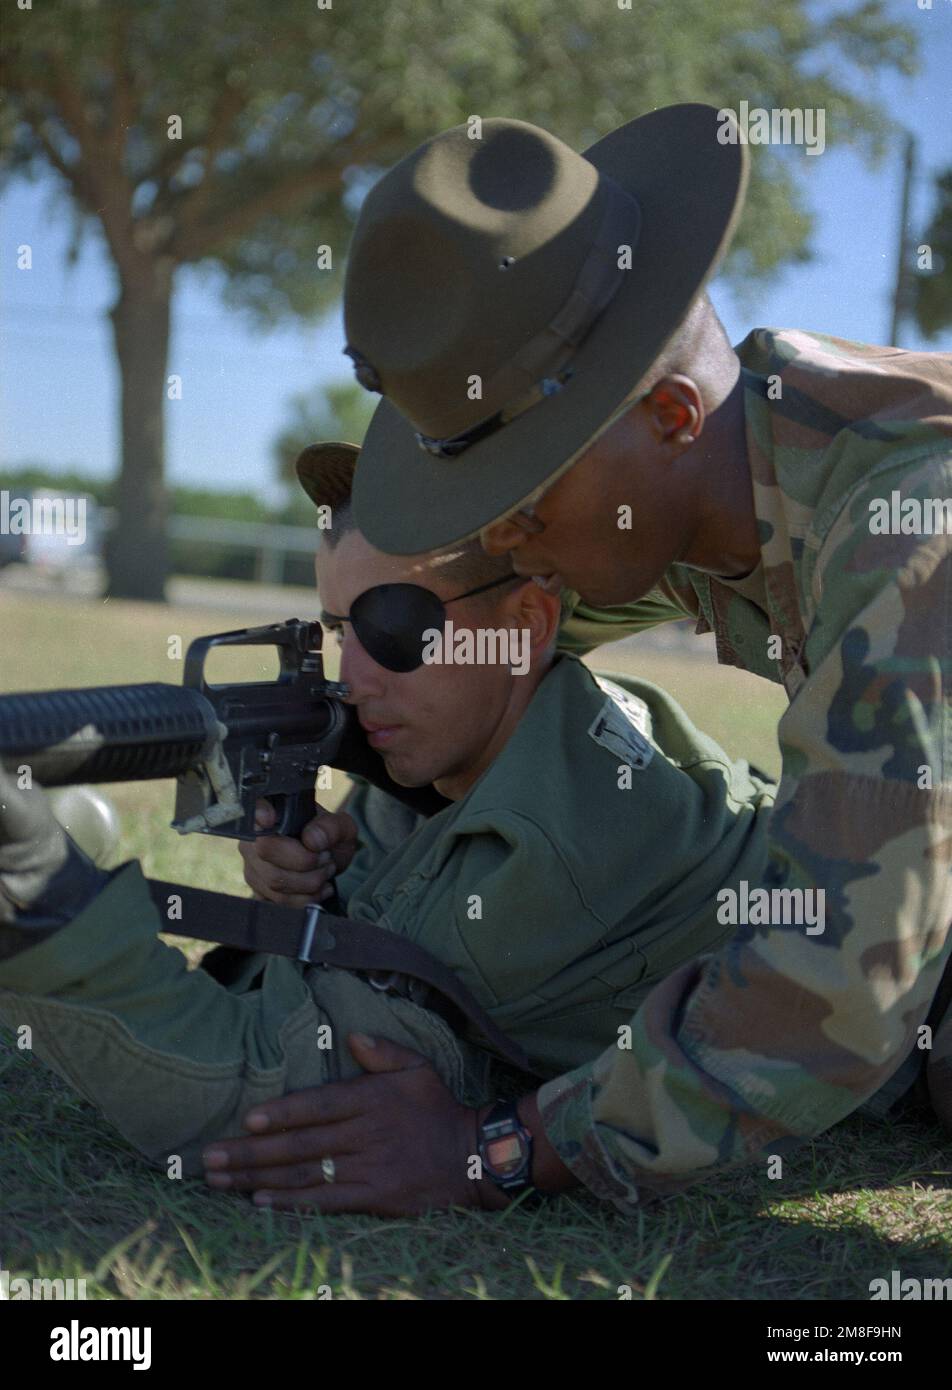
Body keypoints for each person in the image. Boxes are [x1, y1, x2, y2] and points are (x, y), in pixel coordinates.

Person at [249, 102, 948, 1215]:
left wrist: (501, 1149)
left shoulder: (907, 524)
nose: (500, 533)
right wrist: (356, 788)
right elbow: (482, 656)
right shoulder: (700, 489)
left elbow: (841, 973)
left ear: (668, 413)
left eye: (520, 494)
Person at [0, 444, 775, 1213]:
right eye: (340, 629)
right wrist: (311, 892)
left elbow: (265, 1110)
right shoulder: (519, 721)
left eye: (395, 627)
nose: (355, 677)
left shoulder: (537, 857)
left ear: (530, 622)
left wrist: (39, 891)